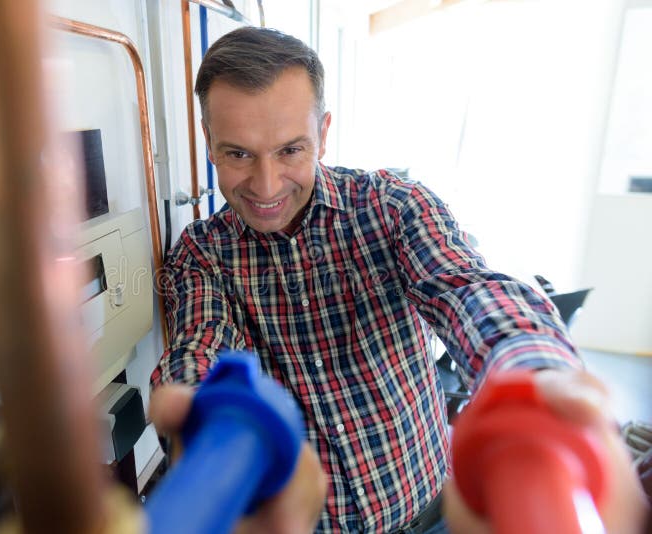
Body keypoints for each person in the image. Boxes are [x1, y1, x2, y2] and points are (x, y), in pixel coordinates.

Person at [149, 26, 648, 533]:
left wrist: (534, 376)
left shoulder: (395, 207)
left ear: (323, 133)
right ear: (209, 143)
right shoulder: (200, 254)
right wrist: (201, 419)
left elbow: (467, 290)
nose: (267, 185)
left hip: (433, 513)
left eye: (290, 150)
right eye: (238, 154)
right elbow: (199, 349)